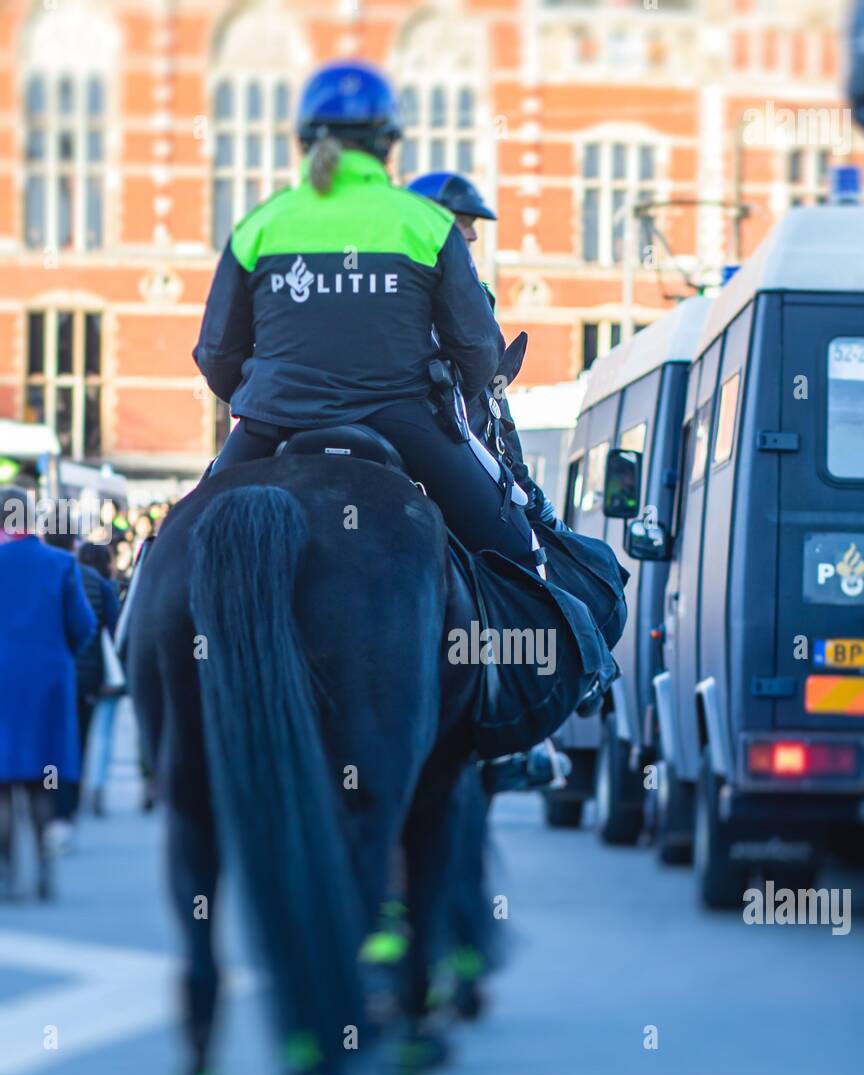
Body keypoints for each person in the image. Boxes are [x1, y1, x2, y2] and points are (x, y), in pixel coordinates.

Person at [194, 61, 539, 571]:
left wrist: (264, 394)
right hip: (404, 421)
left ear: (306, 140)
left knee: (180, 544)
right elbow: (478, 348)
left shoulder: (259, 226)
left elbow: (217, 352)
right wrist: (453, 400)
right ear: (387, 143)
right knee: (517, 551)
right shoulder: (426, 224)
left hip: (274, 419)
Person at [406, 170, 559, 528]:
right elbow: (482, 363)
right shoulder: (460, 292)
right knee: (523, 548)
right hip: (431, 436)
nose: (473, 234)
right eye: (462, 223)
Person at [0, 488, 96, 897]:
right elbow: (84, 626)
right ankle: (43, 871)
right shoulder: (60, 564)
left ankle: (5, 877)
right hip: (48, 681)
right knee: (44, 778)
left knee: (3, 783)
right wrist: (58, 653)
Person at [76, 542, 124, 817]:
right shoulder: (108, 588)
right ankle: (97, 789)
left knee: (76, 731)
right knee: (103, 734)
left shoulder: (68, 580)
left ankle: (75, 785)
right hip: (106, 673)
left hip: (75, 674)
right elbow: (117, 630)